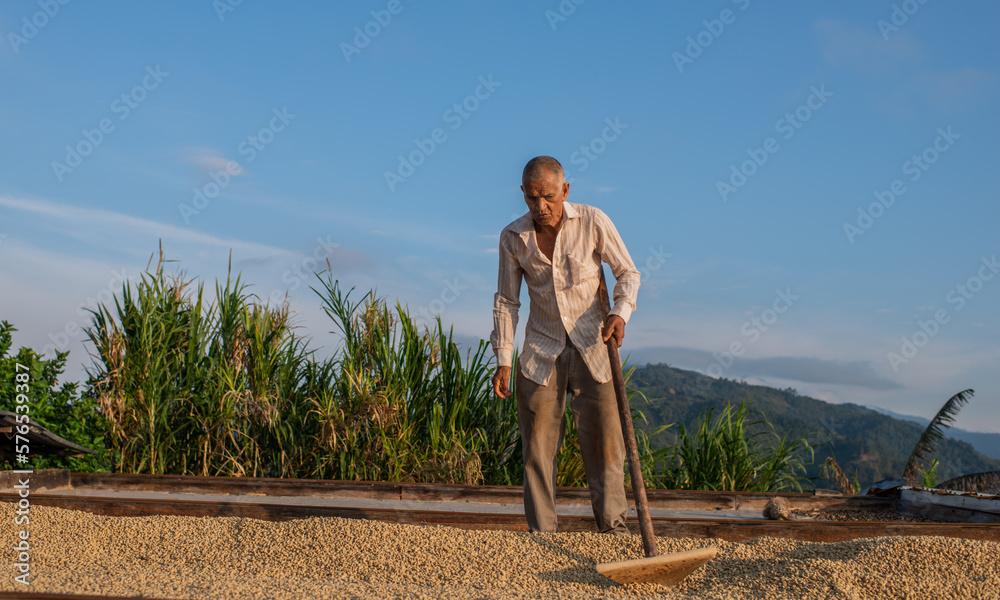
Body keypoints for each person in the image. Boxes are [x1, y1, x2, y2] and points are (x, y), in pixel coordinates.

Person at [490, 155, 641, 534]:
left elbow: (628, 273)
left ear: (566, 191)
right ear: (523, 194)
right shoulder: (513, 238)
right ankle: (542, 536)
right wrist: (504, 359)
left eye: (549, 197)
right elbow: (507, 301)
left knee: (607, 444)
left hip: (595, 346)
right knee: (537, 450)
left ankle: (613, 531)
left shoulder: (592, 221)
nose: (541, 207)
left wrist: (620, 313)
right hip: (542, 352)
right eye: (532, 198)